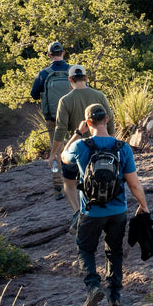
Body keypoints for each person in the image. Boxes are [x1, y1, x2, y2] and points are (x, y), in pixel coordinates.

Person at [61, 103, 149, 306]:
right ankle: (114, 298)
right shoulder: (122, 147)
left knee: (85, 249)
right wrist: (143, 206)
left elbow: (63, 156)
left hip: (90, 212)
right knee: (114, 252)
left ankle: (93, 287)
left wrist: (76, 133)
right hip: (117, 211)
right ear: (107, 119)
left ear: (88, 122)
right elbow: (134, 184)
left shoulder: (82, 146)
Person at [48, 65, 115, 210]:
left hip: (77, 147)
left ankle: (78, 212)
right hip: (101, 147)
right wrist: (111, 140)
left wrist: (54, 153)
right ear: (85, 78)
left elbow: (60, 129)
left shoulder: (65, 101)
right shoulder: (99, 96)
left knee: (70, 184)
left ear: (70, 80)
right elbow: (110, 120)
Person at [30, 42, 70, 143]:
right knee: (73, 146)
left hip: (52, 118)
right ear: (63, 53)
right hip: (72, 117)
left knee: (55, 147)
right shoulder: (73, 70)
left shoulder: (43, 74)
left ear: (49, 55)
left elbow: (34, 95)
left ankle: (56, 158)